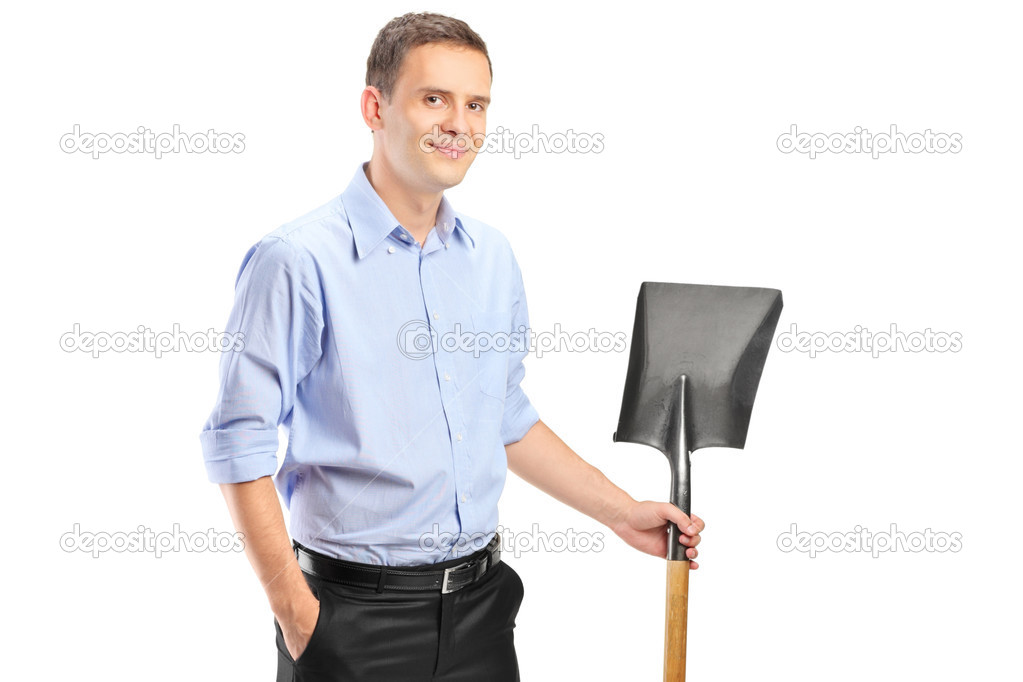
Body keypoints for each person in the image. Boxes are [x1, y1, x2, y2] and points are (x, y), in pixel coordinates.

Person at [200, 11, 704, 682]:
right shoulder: (294, 261)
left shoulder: (490, 258)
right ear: (374, 107)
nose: (459, 123)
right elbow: (238, 442)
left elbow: (501, 418)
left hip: (482, 614)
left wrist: (621, 513)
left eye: (476, 104)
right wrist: (297, 614)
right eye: (433, 98)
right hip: (349, 622)